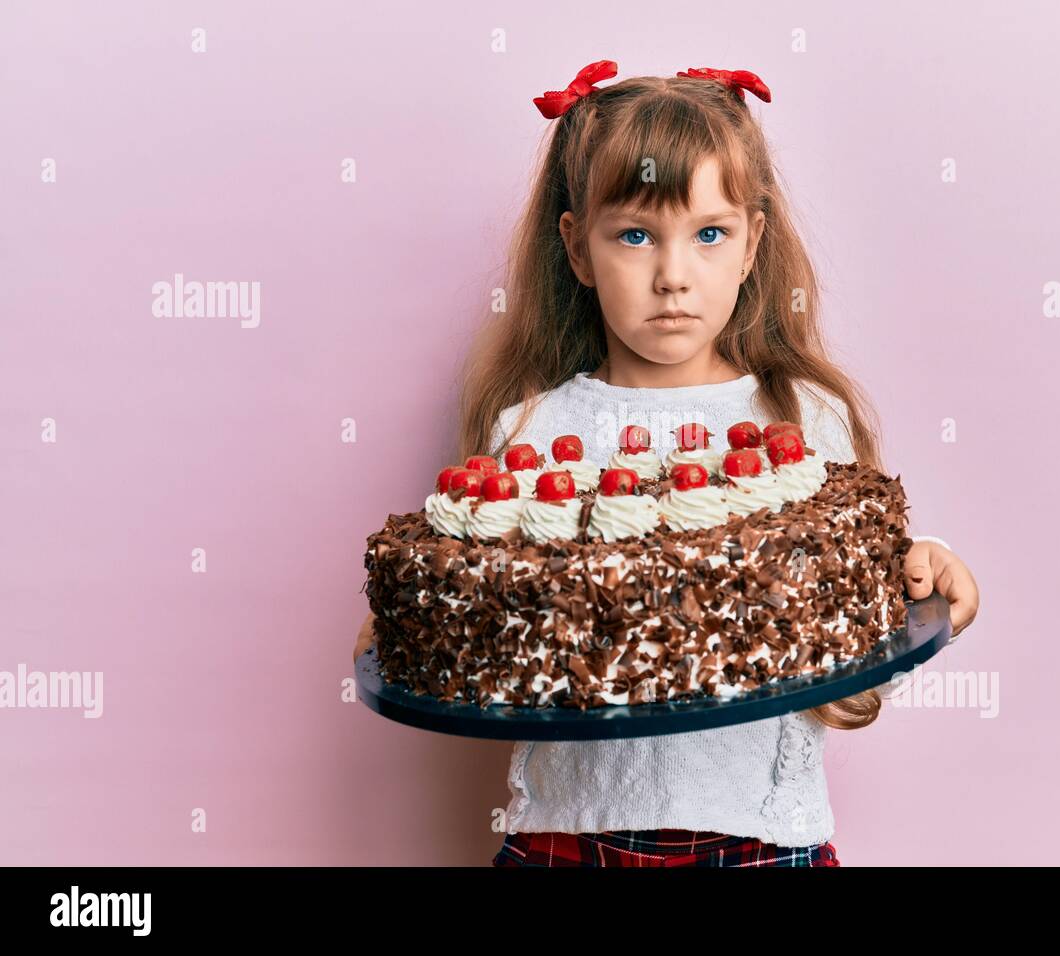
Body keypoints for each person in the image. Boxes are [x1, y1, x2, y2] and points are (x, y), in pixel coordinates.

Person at [355, 60, 979, 867]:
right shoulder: (536, 432)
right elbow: (495, 635)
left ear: (753, 242)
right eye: (635, 235)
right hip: (567, 838)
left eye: (709, 234)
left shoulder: (801, 422)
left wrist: (925, 586)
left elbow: (846, 663)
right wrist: (416, 629)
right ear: (578, 249)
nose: (673, 275)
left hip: (761, 840)